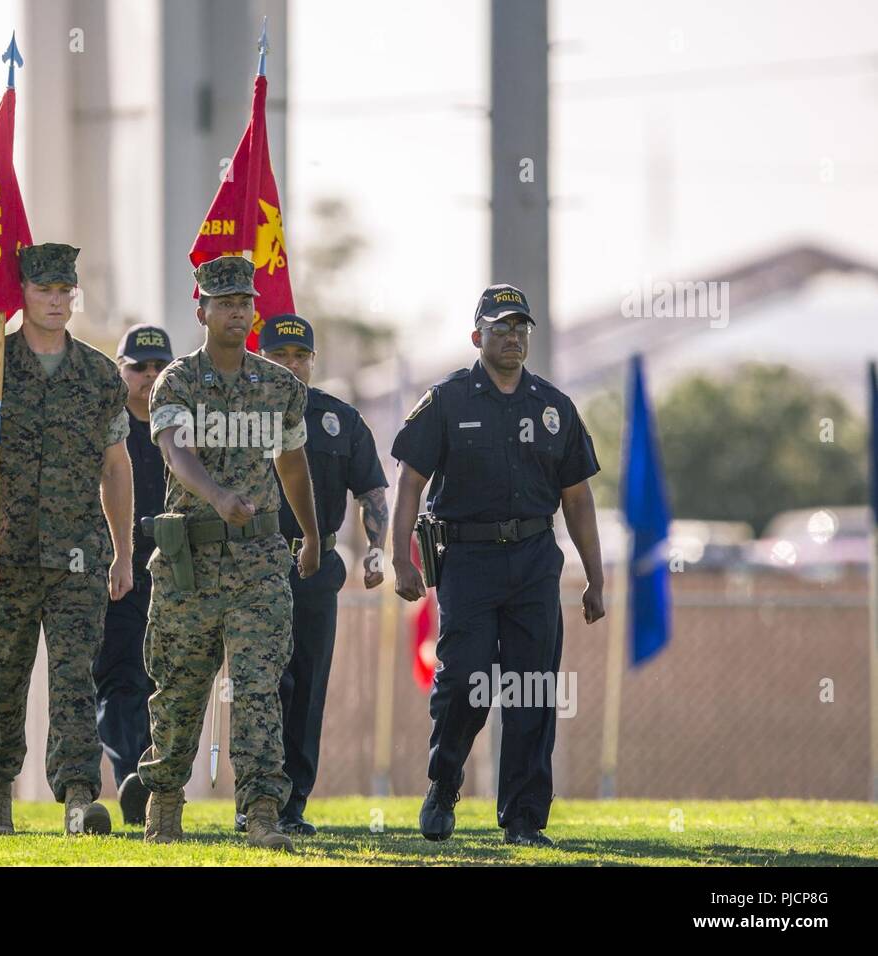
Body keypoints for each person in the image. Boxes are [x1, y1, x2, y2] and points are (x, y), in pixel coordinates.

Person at [390, 283, 606, 847]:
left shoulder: (554, 407)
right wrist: (400, 559)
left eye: (520, 328)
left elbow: (578, 499)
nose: (512, 337)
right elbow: (410, 482)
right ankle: (444, 783)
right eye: (500, 327)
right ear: (476, 336)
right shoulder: (448, 401)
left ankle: (524, 818)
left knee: (532, 687)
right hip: (468, 561)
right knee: (466, 680)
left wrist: (596, 576)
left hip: (536, 561)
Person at [0, 243, 132, 836]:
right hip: (5, 556)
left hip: (78, 557)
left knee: (76, 676)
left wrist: (123, 550)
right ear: (21, 294)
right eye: (44, 289)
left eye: (64, 290)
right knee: (1, 675)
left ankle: (78, 797)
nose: (55, 300)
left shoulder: (100, 375)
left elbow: (117, 467)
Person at [138, 255, 321, 853]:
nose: (236, 311)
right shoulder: (178, 381)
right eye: (224, 303)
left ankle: (263, 809)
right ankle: (164, 801)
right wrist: (216, 496)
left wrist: (312, 534)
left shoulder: (280, 384)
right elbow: (174, 451)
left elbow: (293, 463)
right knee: (181, 688)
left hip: (259, 563)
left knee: (258, 684)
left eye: (244, 302)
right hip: (190, 563)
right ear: (203, 311)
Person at [231, 313, 388, 836]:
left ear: (313, 361)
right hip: (251, 566)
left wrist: (376, 550)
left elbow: (371, 493)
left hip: (316, 569)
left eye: (301, 356)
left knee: (307, 685)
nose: (292, 366)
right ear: (261, 357)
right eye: (280, 356)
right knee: (259, 686)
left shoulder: (339, 420)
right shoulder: (238, 416)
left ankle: (291, 804)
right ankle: (254, 799)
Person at [94, 324, 173, 825]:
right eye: (138, 366)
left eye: (158, 367)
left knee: (163, 680)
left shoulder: (182, 427)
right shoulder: (103, 425)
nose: (148, 376)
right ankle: (132, 775)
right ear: (119, 371)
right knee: (119, 678)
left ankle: (155, 777)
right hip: (116, 569)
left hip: (172, 569)